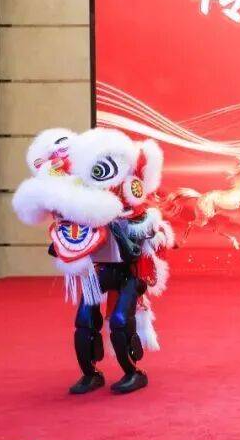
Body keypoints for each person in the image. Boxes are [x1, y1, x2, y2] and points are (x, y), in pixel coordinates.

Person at [13, 127, 173, 395]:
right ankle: (90, 373)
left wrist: (137, 234)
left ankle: (132, 371)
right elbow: (70, 234)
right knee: (85, 320)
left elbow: (150, 237)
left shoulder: (135, 207)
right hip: (99, 270)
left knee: (120, 320)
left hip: (129, 272)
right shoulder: (80, 204)